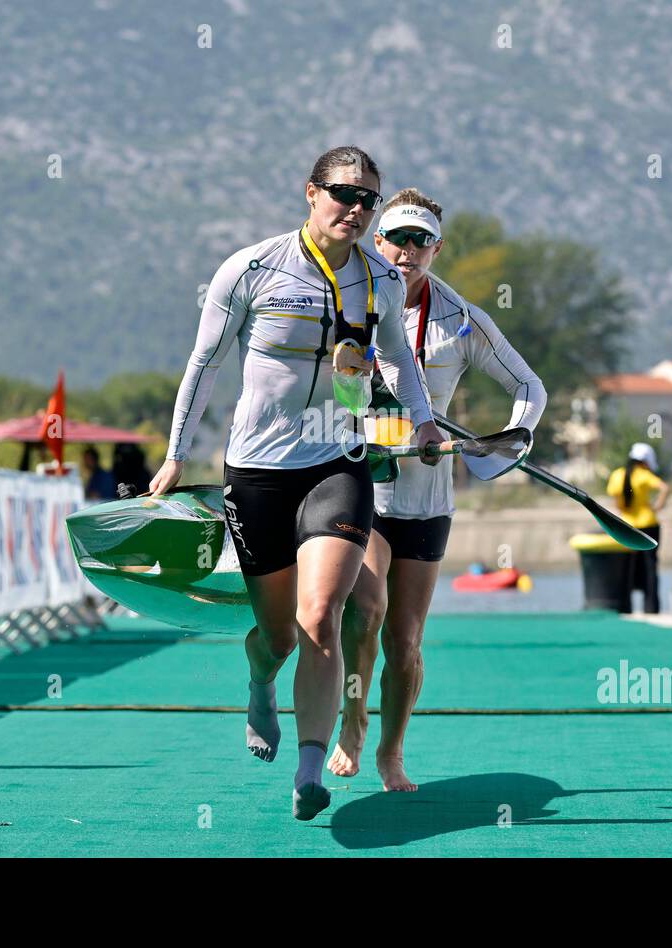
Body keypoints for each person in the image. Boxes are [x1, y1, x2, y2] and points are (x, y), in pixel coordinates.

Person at [147, 146, 444, 821]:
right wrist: (173, 456)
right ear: (310, 193)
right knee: (278, 635)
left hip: (337, 465)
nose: (359, 210)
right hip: (258, 474)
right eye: (345, 194)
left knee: (321, 616)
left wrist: (422, 423)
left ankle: (310, 772)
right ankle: (259, 684)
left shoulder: (381, 281)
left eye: (369, 199)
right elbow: (203, 364)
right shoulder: (251, 269)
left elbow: (399, 359)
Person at [328, 188, 547, 791]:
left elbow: (531, 388)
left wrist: (503, 440)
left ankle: (391, 753)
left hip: (427, 500)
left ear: (437, 248)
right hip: (362, 490)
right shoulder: (349, 303)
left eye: (420, 240)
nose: (407, 250)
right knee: (363, 611)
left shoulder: (462, 319)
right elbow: (317, 388)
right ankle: (353, 719)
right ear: (377, 242)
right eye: (396, 237)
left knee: (407, 641)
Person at [606, 443, 669, 612]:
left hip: (627, 528)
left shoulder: (617, 475)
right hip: (649, 526)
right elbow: (665, 488)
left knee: (627, 570)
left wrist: (626, 510)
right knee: (650, 569)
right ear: (645, 461)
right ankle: (651, 608)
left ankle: (625, 607)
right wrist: (657, 507)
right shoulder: (644, 475)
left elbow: (618, 503)